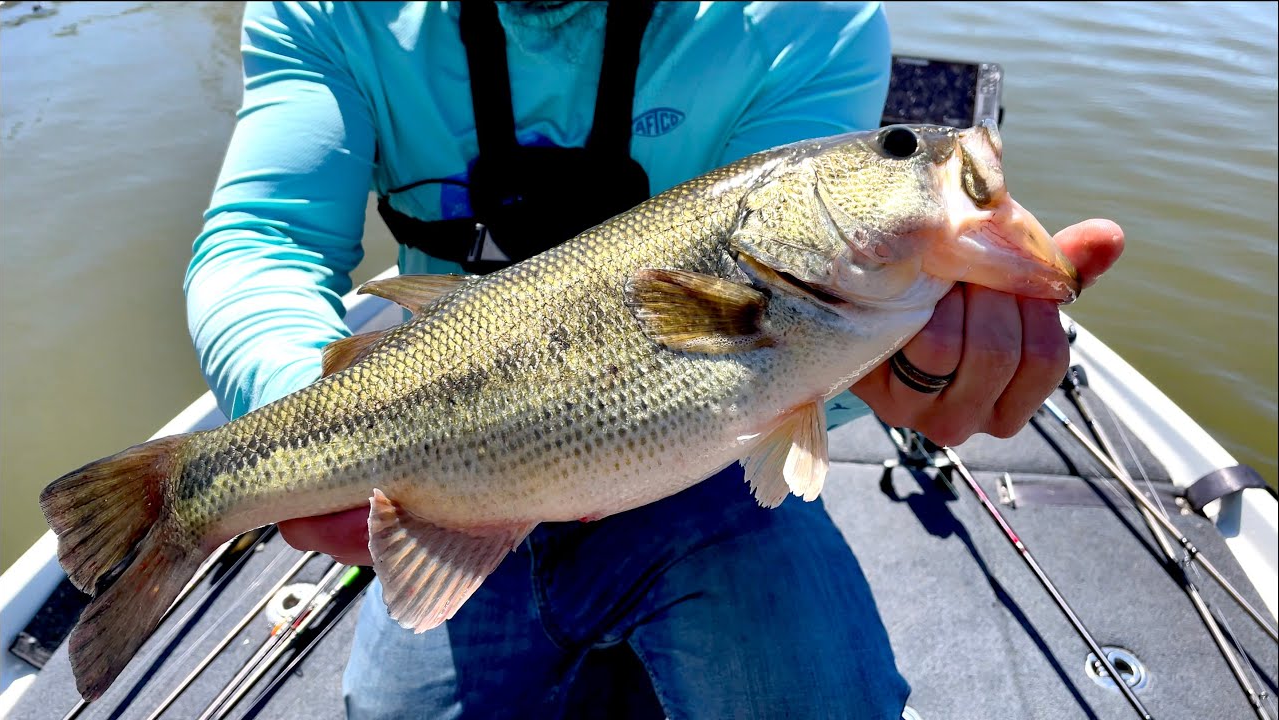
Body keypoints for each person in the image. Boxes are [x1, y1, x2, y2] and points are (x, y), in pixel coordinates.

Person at [184, 2, 1124, 718]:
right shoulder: (328, 10)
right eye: (898, 153)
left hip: (703, 472)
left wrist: (898, 371)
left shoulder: (805, 17)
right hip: (446, 462)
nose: (923, 159)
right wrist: (306, 411)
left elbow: (790, 355)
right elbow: (262, 237)